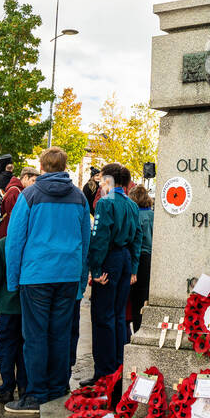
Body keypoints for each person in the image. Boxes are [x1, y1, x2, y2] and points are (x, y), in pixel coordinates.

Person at [4, 146, 90, 415]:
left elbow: (15, 240)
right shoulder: (78, 196)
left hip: (37, 275)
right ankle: (58, 386)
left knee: (35, 335)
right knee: (61, 333)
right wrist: (81, 277)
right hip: (67, 274)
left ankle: (36, 393)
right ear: (65, 167)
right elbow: (86, 239)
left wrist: (13, 280)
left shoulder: (30, 195)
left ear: (41, 167)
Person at [85, 163, 142, 397]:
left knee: (102, 317)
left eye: (101, 179)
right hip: (126, 259)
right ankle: (119, 366)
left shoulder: (106, 203)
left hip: (109, 259)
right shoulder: (132, 204)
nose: (99, 183)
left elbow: (100, 238)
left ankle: (105, 372)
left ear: (109, 180)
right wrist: (134, 268)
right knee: (119, 316)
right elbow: (137, 237)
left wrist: (95, 269)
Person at [0, 232, 27, 405]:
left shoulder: (3, 244)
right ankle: (25, 386)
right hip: (29, 306)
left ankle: (7, 388)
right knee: (25, 347)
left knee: (7, 346)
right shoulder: (32, 243)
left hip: (8, 305)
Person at [129, 184, 154, 332]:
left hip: (139, 257)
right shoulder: (153, 215)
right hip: (151, 258)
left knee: (136, 299)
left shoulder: (136, 216)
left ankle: (137, 329)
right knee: (145, 295)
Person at [0, 167, 38, 240]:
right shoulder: (14, 191)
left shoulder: (20, 190)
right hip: (8, 234)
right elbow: (14, 217)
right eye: (33, 180)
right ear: (25, 177)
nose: (34, 184)